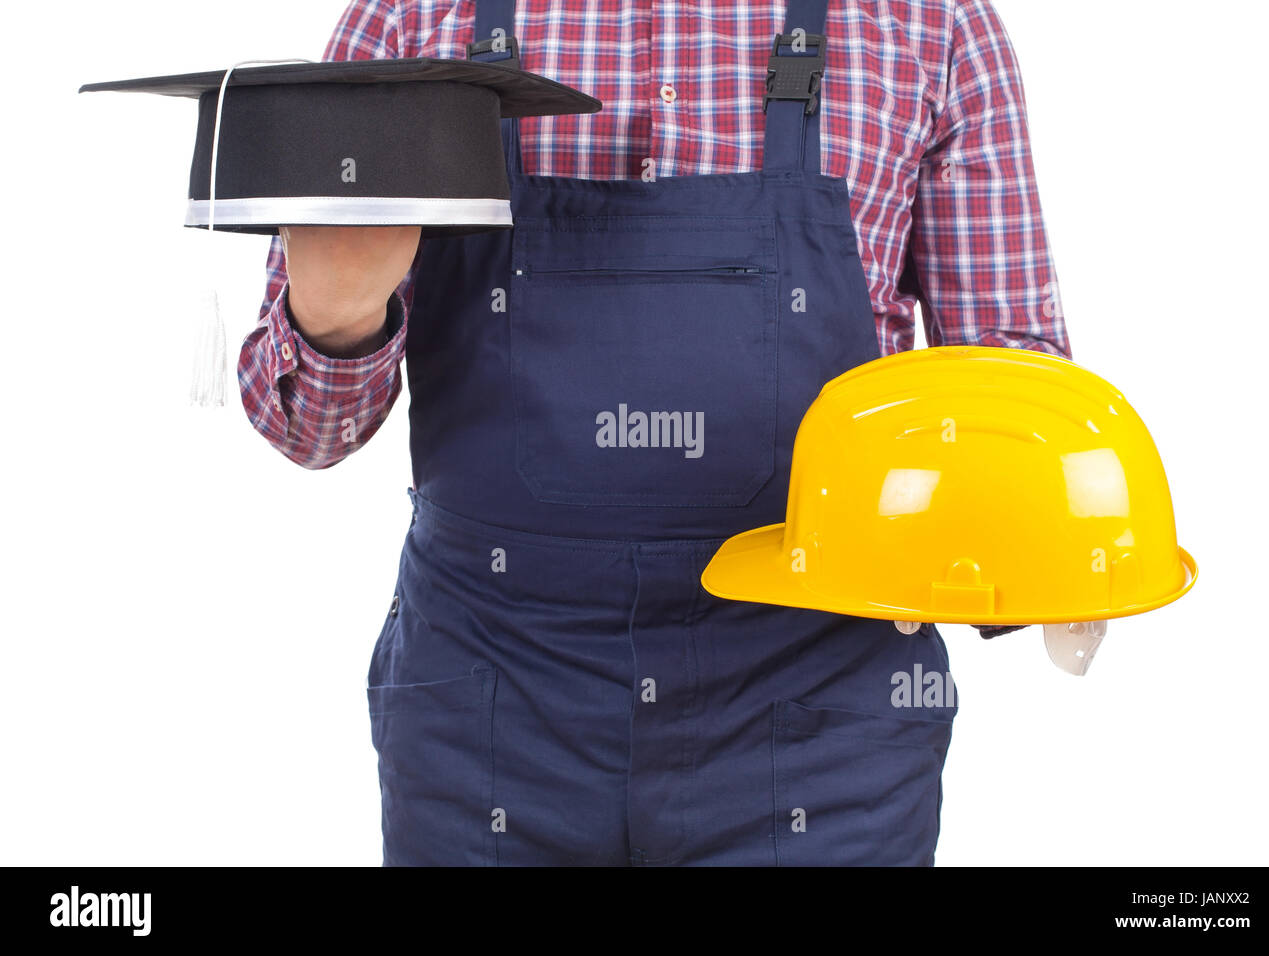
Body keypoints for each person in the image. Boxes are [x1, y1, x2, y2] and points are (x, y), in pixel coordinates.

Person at [239, 0, 1070, 866]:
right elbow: (305, 427)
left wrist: (1044, 557)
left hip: (819, 713)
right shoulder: (411, 20)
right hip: (486, 703)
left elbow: (1012, 392)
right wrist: (335, 315)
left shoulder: (930, 24)